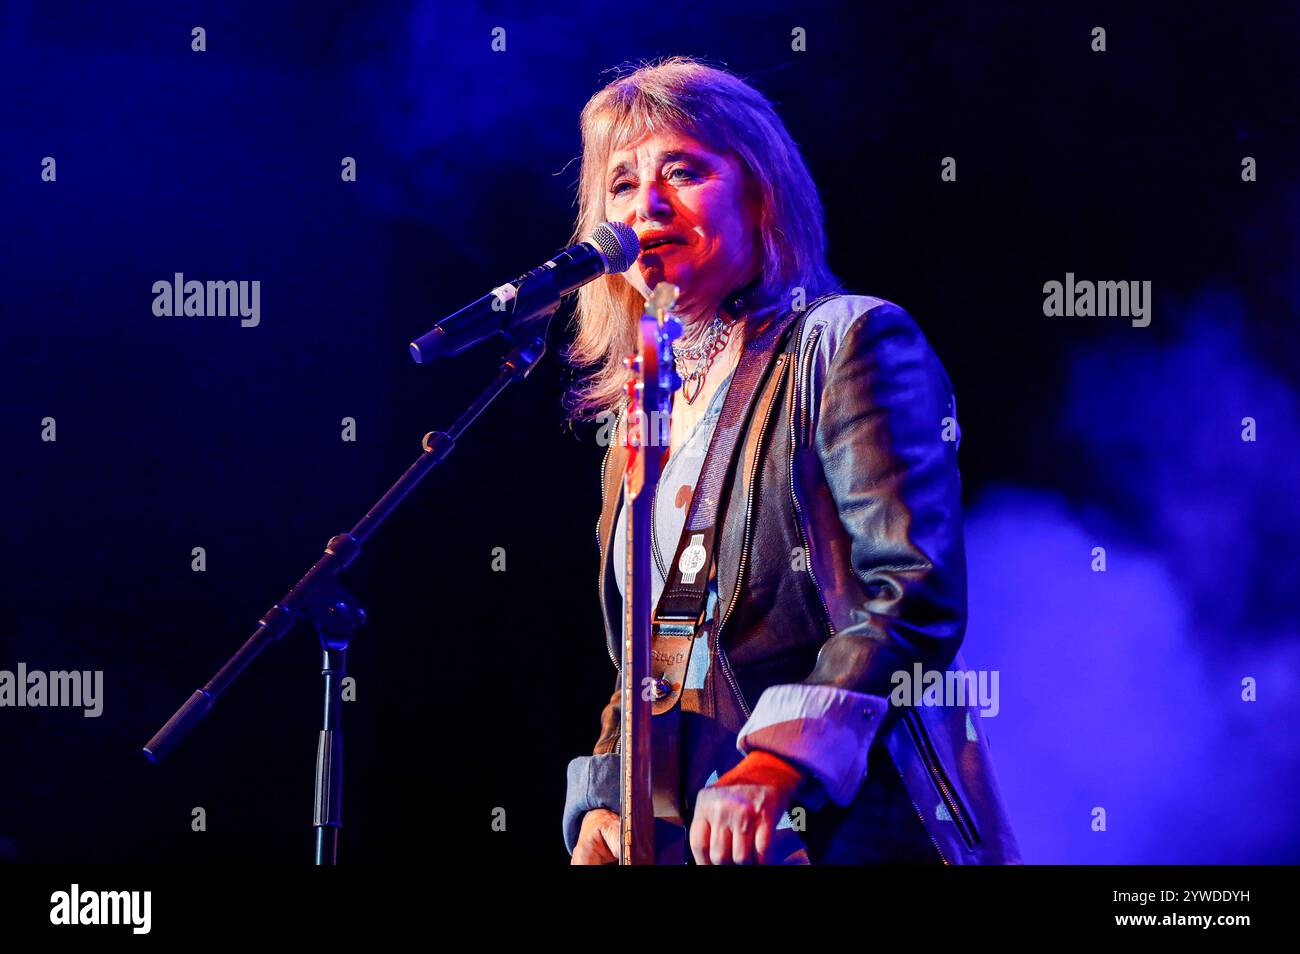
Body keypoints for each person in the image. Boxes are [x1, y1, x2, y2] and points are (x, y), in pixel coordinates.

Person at [561, 56, 1020, 865]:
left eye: (685, 171)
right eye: (622, 184)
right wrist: (613, 794)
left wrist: (779, 760)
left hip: (853, 821)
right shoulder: (642, 408)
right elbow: (656, 644)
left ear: (760, 192)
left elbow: (912, 590)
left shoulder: (846, 341)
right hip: (697, 838)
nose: (647, 204)